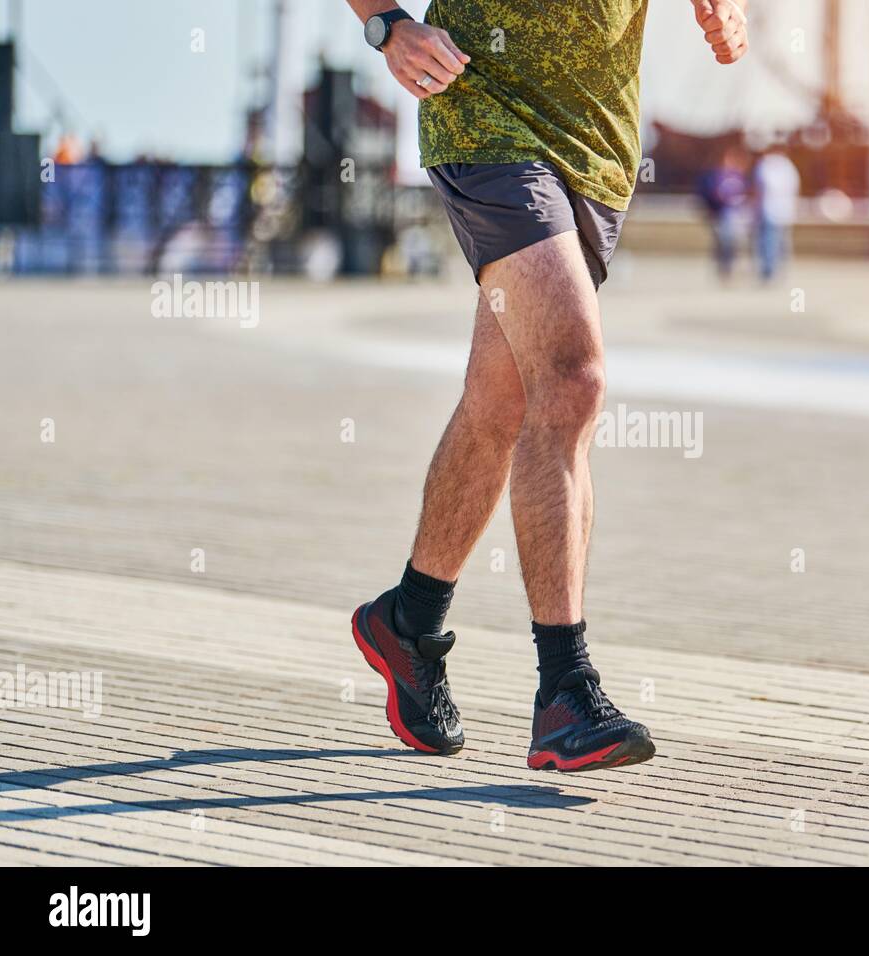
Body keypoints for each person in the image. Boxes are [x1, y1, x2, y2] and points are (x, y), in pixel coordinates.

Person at [343, 0, 751, 772]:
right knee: (573, 381)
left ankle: (410, 620)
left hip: (597, 149)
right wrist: (387, 25)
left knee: (504, 402)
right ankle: (565, 688)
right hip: (487, 122)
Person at [696, 144, 750, 279]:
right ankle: (723, 268)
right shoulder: (716, 175)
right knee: (723, 242)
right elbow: (710, 194)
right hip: (721, 213)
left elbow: (745, 193)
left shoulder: (738, 175)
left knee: (734, 242)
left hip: (736, 214)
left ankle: (729, 267)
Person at [751, 146, 800, 281]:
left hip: (769, 210)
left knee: (768, 242)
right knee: (782, 242)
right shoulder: (789, 167)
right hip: (785, 211)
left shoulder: (765, 166)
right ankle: (780, 270)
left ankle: (769, 271)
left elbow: (760, 190)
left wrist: (755, 209)